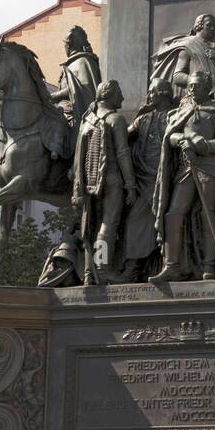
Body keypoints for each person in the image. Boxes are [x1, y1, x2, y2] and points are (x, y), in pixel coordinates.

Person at [150, 71, 215, 282]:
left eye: (196, 86)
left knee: (209, 215)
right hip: (186, 169)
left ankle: (209, 266)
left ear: (207, 88)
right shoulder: (183, 110)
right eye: (190, 86)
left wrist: (201, 145)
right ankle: (171, 266)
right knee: (173, 214)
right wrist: (184, 139)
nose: (192, 89)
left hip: (210, 168)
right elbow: (170, 135)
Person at [71, 80, 136, 284]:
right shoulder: (115, 119)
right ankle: (102, 268)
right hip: (112, 178)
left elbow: (77, 160)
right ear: (109, 96)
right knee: (108, 223)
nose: (123, 99)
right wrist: (131, 185)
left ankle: (90, 273)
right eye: (119, 94)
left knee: (90, 225)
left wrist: (77, 190)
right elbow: (124, 154)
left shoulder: (86, 122)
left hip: (89, 181)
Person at [120, 77, 175, 281]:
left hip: (167, 177)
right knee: (135, 219)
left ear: (163, 94)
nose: (148, 96)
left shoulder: (175, 116)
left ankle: (151, 264)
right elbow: (124, 136)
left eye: (152, 92)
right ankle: (135, 265)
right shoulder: (143, 118)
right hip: (143, 178)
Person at [151, 13, 215, 100]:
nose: (212, 28)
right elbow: (177, 76)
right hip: (202, 98)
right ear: (199, 26)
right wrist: (194, 80)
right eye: (208, 25)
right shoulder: (189, 45)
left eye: (213, 26)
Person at [51, 25, 100, 159]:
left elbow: (81, 89)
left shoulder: (83, 62)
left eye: (65, 44)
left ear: (69, 44)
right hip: (62, 108)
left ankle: (57, 150)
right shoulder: (72, 63)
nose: (64, 47)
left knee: (59, 117)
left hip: (73, 112)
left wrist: (55, 95)